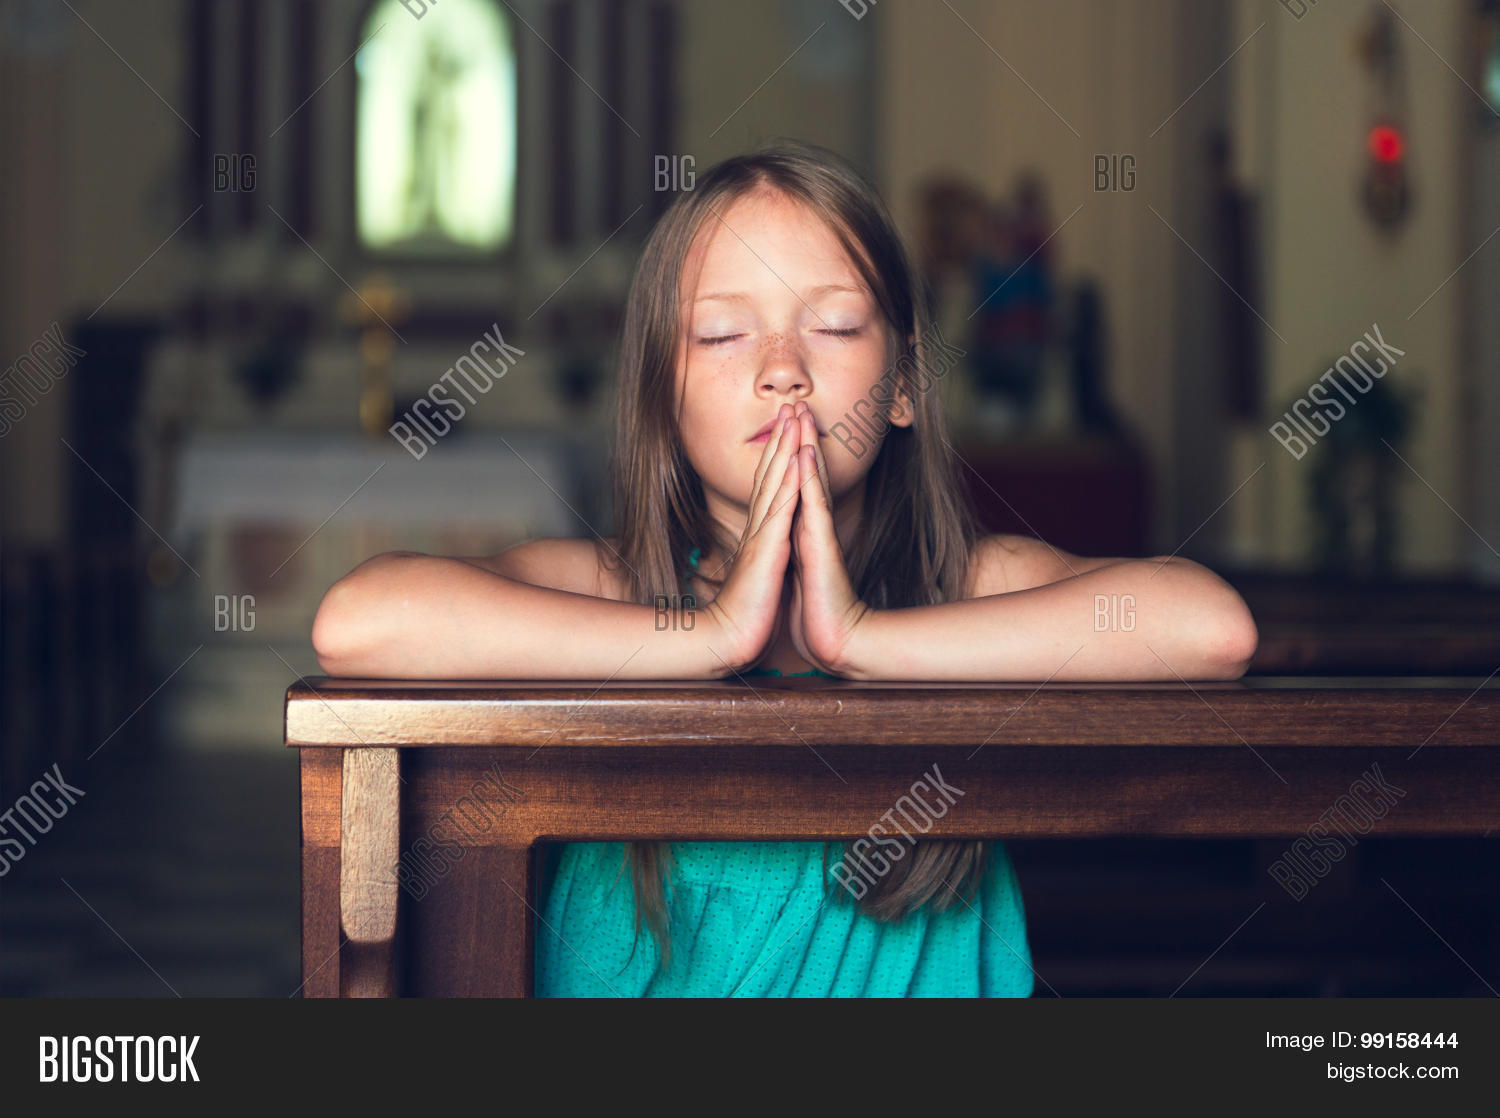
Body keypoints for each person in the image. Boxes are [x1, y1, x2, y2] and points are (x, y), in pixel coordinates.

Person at [311, 140, 1259, 997]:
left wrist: (866, 639)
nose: (782, 369)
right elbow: (359, 622)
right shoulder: (607, 590)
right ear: (661, 400)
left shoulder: (967, 589)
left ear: (903, 389)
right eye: (724, 334)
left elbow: (1211, 629)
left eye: (837, 327)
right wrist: (715, 634)